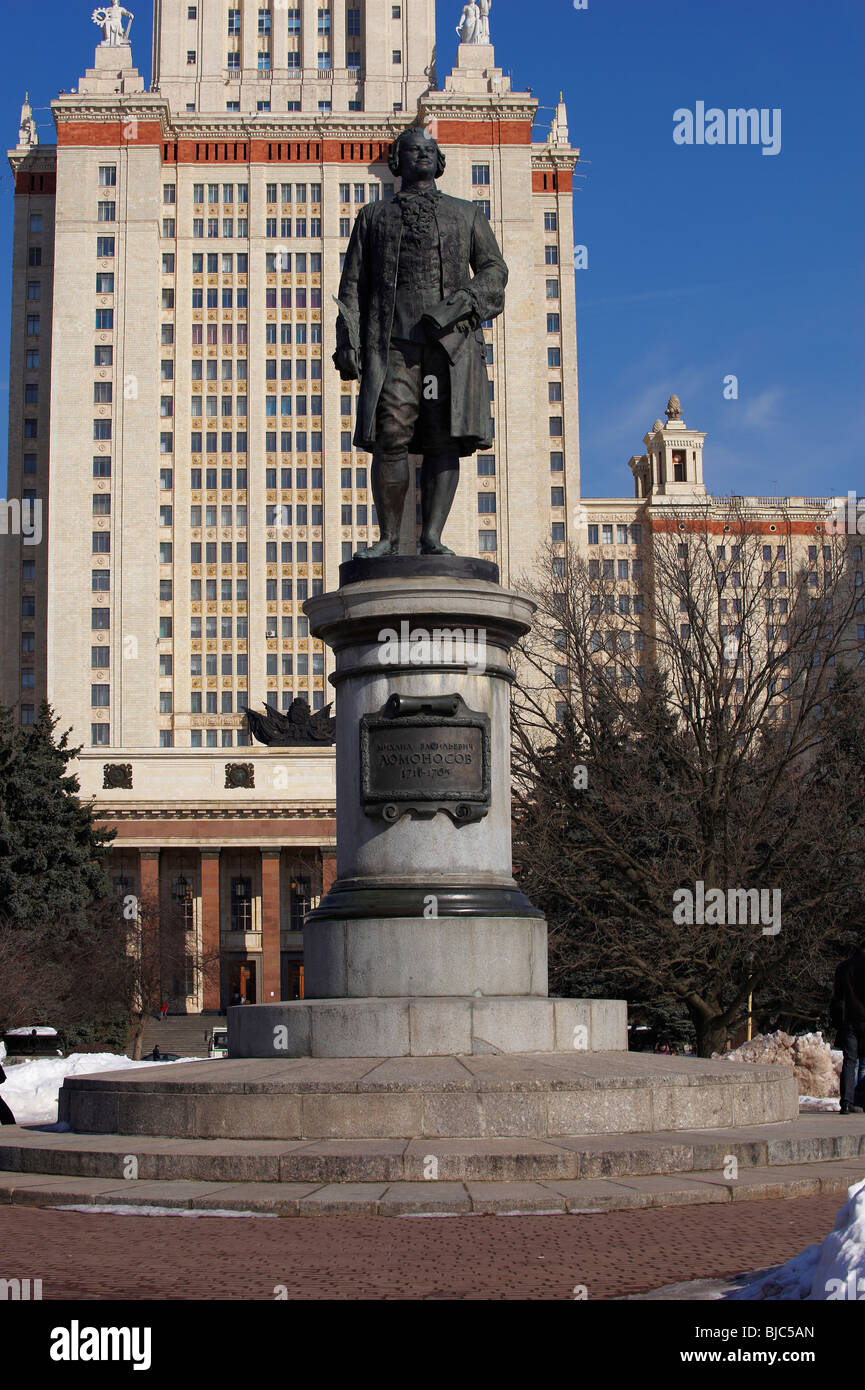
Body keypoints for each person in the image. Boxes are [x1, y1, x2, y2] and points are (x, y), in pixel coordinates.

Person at [333, 126, 507, 558]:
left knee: (443, 439)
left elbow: (494, 272)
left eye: (430, 150)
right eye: (413, 150)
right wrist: (347, 342)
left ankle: (431, 537)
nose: (423, 155)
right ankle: (389, 539)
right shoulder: (373, 217)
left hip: (450, 347)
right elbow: (352, 285)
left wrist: (460, 304)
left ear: (439, 160)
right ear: (398, 161)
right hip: (393, 345)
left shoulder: (466, 214)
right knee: (390, 435)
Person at [830, 940, 865, 1114]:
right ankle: (861, 1099)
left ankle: (846, 1102)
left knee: (850, 1061)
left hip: (850, 1020)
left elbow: (837, 998)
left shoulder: (844, 967)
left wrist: (837, 1022)